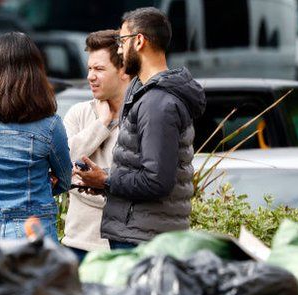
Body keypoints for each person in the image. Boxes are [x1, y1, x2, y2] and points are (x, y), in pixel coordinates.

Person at [74, 7, 206, 247]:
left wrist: (106, 180)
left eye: (122, 42)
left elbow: (156, 181)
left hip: (143, 240)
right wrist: (106, 182)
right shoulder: (146, 94)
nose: (120, 50)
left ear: (139, 41)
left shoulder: (158, 103)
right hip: (142, 233)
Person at [0, 32, 71, 241]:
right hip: (33, 230)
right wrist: (45, 182)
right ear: (36, 70)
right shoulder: (50, 123)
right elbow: (65, 179)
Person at [62, 29, 130, 260]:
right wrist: (101, 124)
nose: (91, 76)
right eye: (90, 68)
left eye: (99, 69)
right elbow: (62, 161)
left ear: (123, 71)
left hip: (123, 244)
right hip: (77, 241)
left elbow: (135, 179)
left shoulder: (139, 116)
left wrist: (102, 182)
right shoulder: (78, 113)